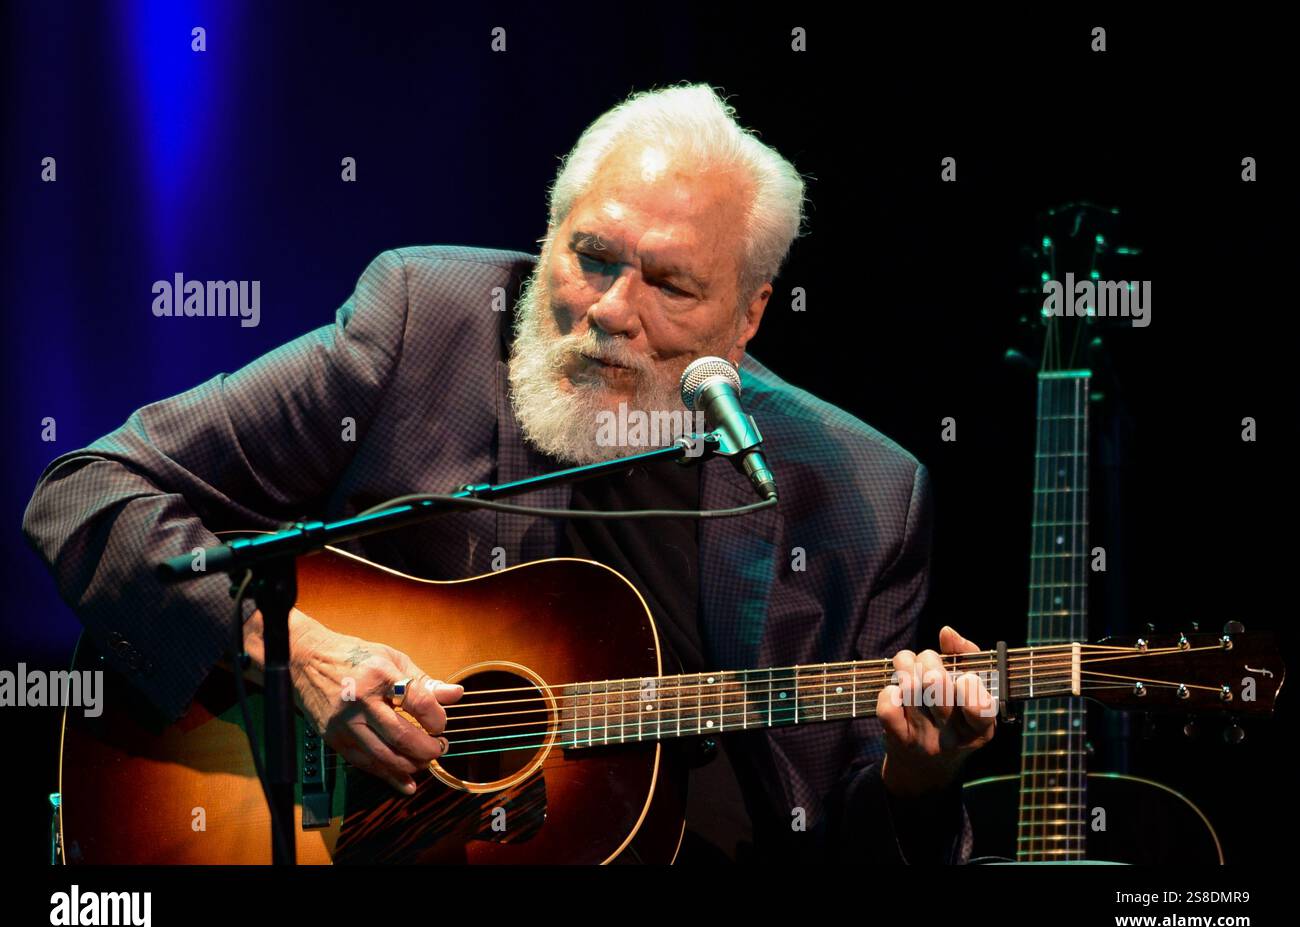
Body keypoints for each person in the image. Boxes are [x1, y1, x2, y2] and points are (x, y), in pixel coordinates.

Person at [23, 83, 994, 863]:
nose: (611, 309)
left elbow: (859, 831)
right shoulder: (425, 325)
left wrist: (919, 781)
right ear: (548, 234)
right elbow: (86, 491)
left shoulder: (859, 490)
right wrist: (293, 656)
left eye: (668, 284)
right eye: (590, 257)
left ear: (747, 316)